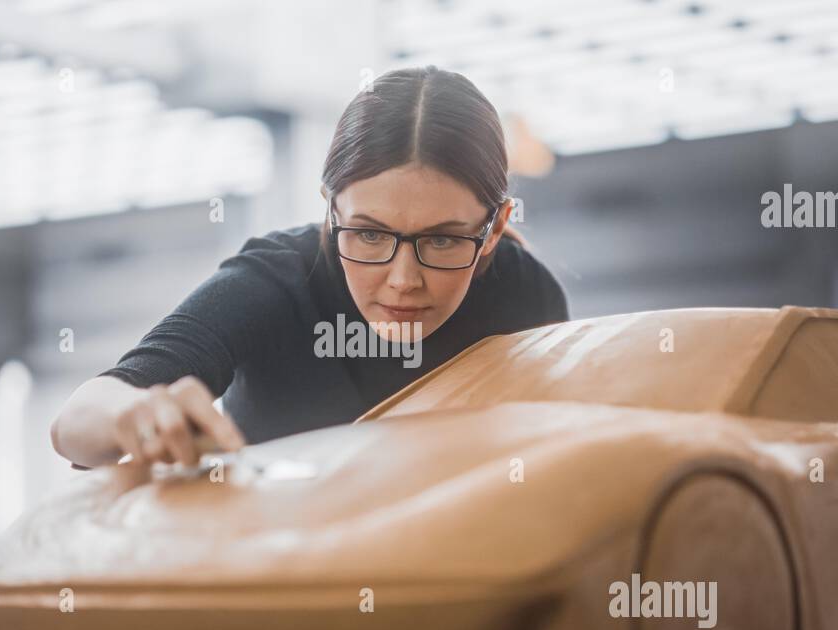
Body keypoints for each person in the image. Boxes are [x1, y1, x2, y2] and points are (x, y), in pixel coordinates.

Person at [51, 66, 569, 470]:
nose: (403, 281)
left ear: (495, 228)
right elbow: (76, 419)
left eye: (442, 240)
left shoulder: (525, 293)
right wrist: (131, 415)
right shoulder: (274, 282)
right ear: (331, 209)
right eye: (370, 234)